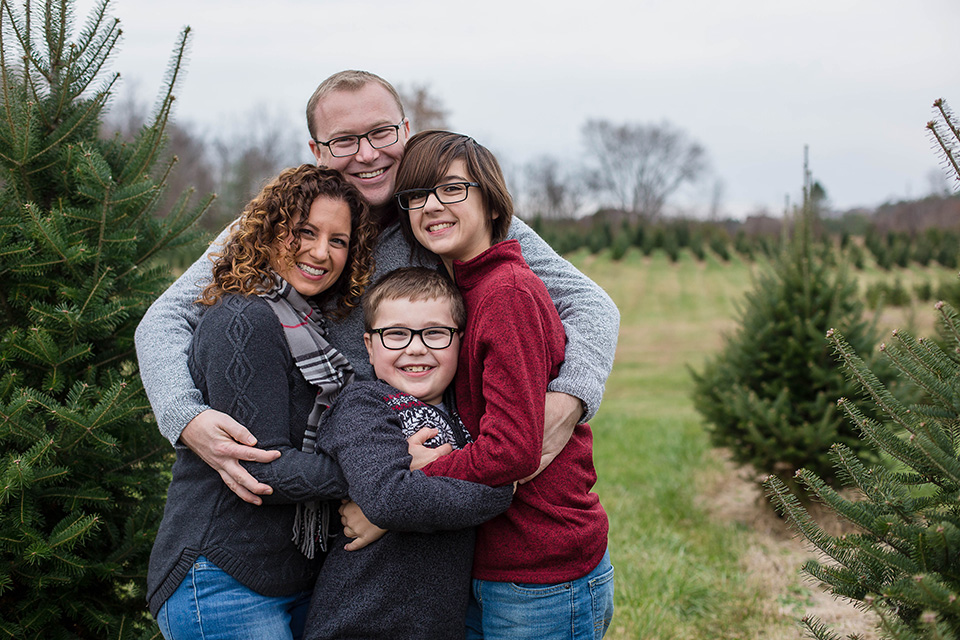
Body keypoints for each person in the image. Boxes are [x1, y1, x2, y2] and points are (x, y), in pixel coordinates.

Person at [134, 69, 619, 508]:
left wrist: (568, 399)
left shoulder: (445, 212)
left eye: (381, 133)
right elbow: (167, 317)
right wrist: (185, 417)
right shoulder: (283, 222)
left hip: (437, 468)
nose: (368, 154)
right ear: (317, 151)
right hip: (328, 465)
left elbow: (590, 303)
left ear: (405, 131)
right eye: (344, 141)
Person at [393, 130, 614, 639]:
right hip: (497, 562)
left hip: (541, 571)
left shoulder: (506, 292)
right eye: (417, 196)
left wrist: (419, 476)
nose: (432, 206)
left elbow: (512, 452)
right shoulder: (468, 289)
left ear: (492, 203)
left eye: (452, 189)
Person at [146, 165, 377, 639]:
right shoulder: (244, 318)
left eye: (338, 240)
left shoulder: (305, 322)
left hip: (285, 576)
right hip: (221, 580)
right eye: (304, 232)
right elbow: (264, 467)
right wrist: (387, 474)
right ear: (269, 232)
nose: (320, 252)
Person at [303, 267, 514, 640]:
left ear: (459, 341)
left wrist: (423, 479)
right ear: (369, 345)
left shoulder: (466, 412)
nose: (416, 348)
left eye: (435, 333)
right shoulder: (363, 405)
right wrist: (498, 489)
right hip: (359, 624)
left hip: (438, 626)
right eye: (396, 334)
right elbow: (390, 499)